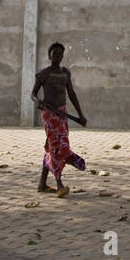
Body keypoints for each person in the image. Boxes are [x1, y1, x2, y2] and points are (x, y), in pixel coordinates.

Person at [31, 41, 87, 196]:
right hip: (49, 114)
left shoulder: (65, 73)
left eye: (60, 53)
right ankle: (59, 183)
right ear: (49, 55)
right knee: (58, 146)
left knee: (52, 146)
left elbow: (72, 94)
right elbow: (33, 94)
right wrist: (39, 102)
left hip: (62, 114)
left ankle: (42, 184)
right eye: (54, 53)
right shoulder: (44, 74)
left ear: (63, 56)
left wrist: (81, 115)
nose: (57, 56)